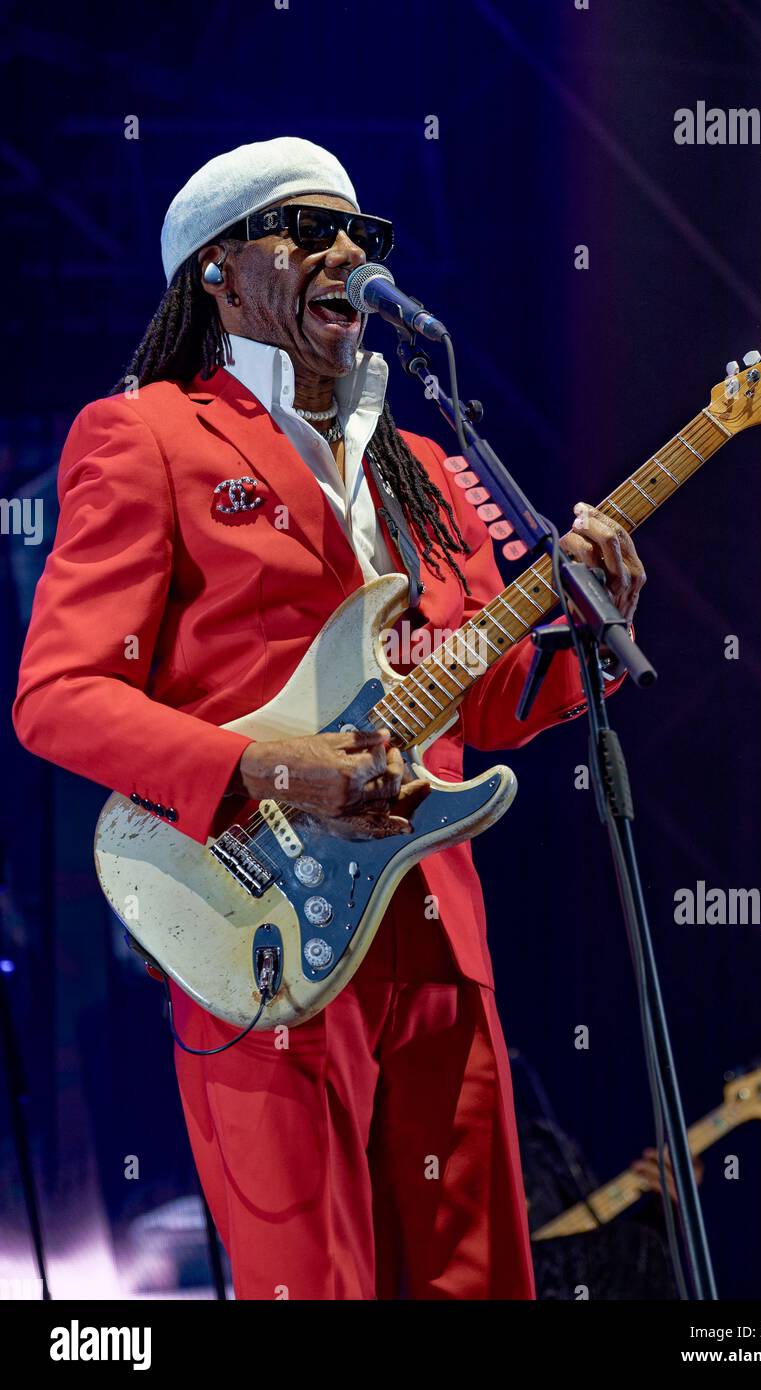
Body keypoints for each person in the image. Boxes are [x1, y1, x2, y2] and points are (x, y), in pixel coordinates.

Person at [13, 136, 646, 1300]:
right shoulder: (148, 435)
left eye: (360, 233)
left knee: (479, 1281)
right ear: (216, 270)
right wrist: (268, 768)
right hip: (262, 929)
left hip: (438, 935)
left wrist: (581, 631)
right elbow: (57, 696)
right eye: (305, 230)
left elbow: (486, 703)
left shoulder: (424, 464)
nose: (347, 252)